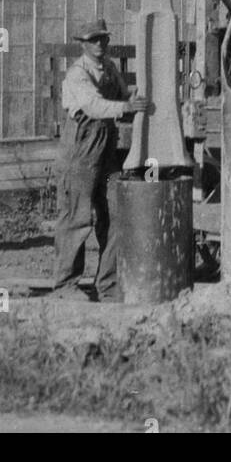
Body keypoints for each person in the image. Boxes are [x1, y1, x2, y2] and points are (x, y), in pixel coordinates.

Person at [52, 19, 148, 301]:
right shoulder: (77, 74)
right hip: (81, 145)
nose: (99, 44)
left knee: (115, 214)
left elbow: (123, 97)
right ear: (82, 44)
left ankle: (108, 284)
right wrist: (125, 107)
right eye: (93, 40)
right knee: (76, 216)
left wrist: (138, 100)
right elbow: (93, 106)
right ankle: (65, 284)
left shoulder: (110, 70)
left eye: (103, 39)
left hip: (106, 145)